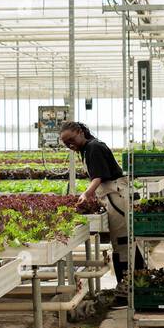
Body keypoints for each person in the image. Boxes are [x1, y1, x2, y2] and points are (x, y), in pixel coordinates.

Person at [59, 121, 145, 306]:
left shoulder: (93, 147)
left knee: (123, 244)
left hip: (117, 197)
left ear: (80, 132)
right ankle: (136, 287)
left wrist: (86, 194)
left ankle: (129, 292)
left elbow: (98, 178)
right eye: (66, 143)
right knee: (125, 243)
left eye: (71, 139)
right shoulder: (89, 148)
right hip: (114, 196)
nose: (70, 145)